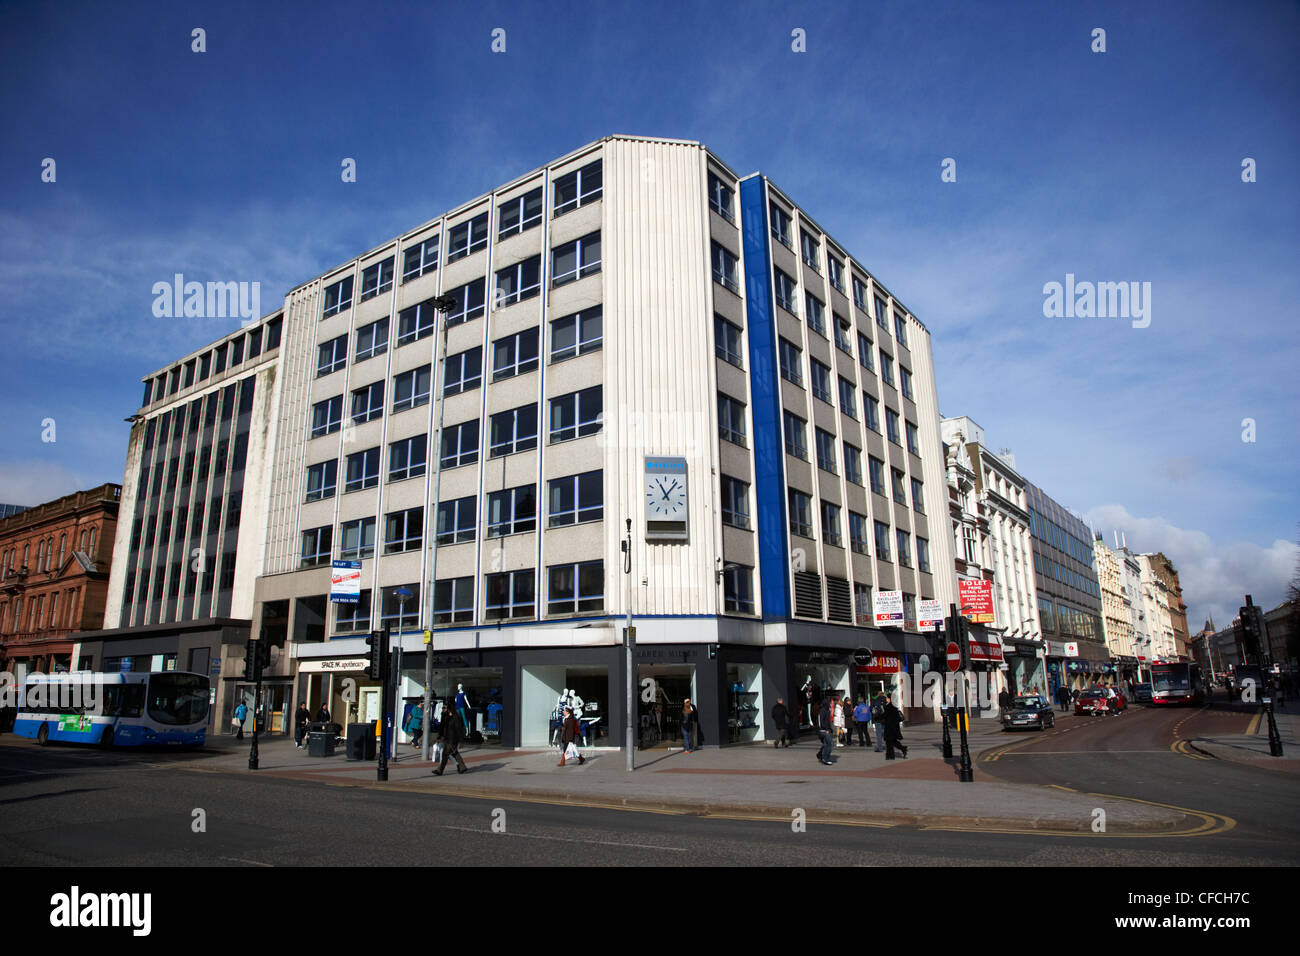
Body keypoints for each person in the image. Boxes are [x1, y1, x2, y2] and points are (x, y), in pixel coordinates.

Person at [431, 701, 469, 776]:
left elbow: (458, 729)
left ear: (449, 708)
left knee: (445, 754)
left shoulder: (455, 717)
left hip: (453, 738)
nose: (443, 709)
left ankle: (440, 770)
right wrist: (439, 736)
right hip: (446, 738)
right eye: (442, 707)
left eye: (444, 708)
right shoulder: (444, 716)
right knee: (454, 753)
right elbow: (441, 727)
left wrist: (461, 740)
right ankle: (462, 767)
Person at [816, 695, 834, 765]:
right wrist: (825, 729)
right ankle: (825, 758)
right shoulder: (823, 710)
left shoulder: (828, 710)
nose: (832, 704)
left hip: (827, 730)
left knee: (826, 744)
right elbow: (820, 721)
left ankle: (821, 755)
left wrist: (830, 729)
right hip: (823, 730)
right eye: (831, 702)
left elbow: (828, 721)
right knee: (829, 744)